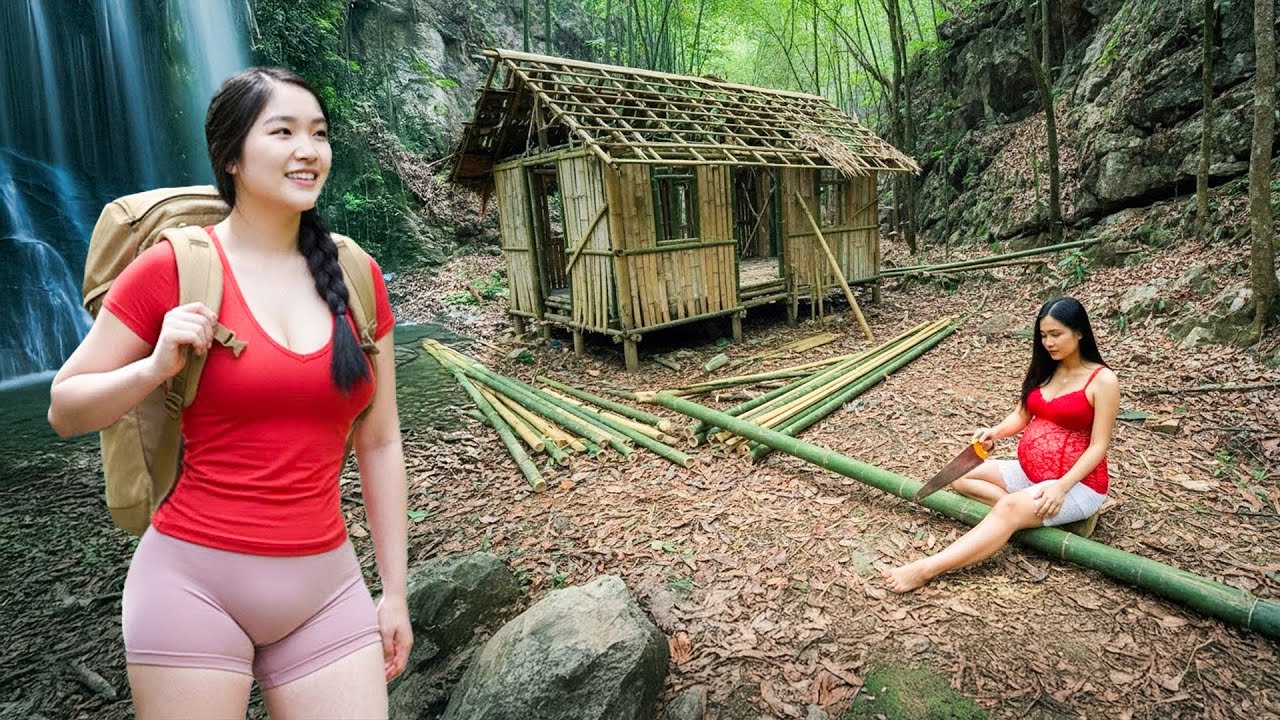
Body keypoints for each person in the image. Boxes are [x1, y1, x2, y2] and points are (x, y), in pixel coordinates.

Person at [48, 67, 411, 718]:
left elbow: (380, 443)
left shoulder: (357, 275)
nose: (308, 149)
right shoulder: (174, 267)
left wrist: (395, 592)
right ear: (232, 158)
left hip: (327, 590)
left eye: (319, 133)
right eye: (283, 132)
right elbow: (65, 408)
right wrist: (152, 368)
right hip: (191, 588)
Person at [883, 296, 1119, 593]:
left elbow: (1098, 446)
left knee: (1008, 508)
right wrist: (994, 432)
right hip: (1032, 475)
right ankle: (1017, 516)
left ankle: (926, 569)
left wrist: (1061, 487)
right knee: (963, 476)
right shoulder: (1047, 369)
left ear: (1080, 332)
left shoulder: (1102, 380)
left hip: (1077, 485)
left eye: (1056, 334)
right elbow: (1022, 415)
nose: (1048, 343)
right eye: (1043, 335)